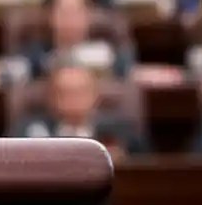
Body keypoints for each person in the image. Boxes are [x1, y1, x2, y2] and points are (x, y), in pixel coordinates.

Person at [11, 60, 143, 155]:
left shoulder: (123, 133)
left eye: (80, 92)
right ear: (50, 98)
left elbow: (146, 172)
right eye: (64, 93)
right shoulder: (26, 133)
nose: (73, 100)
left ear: (95, 96)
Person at [23, 0, 134, 80]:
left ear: (89, 16)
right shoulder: (36, 57)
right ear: (50, 17)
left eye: (76, 12)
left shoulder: (113, 56)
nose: (69, 19)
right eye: (63, 12)